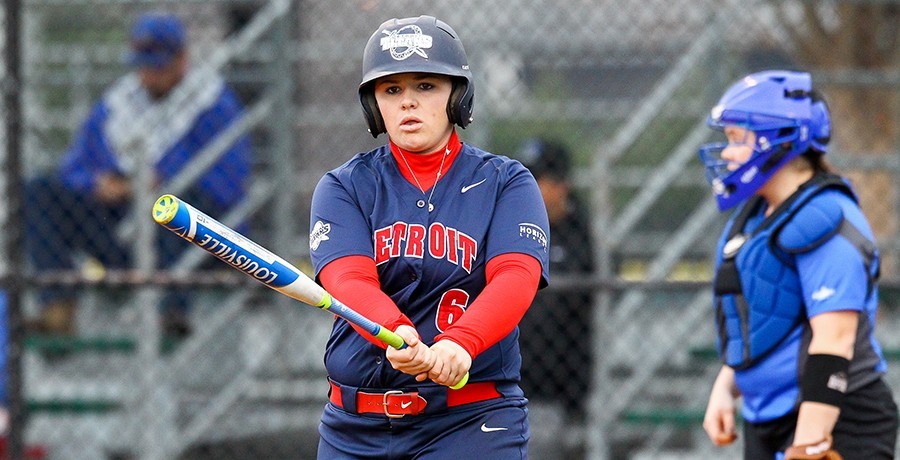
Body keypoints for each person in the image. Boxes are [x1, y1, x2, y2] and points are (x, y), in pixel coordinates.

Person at [308, 15, 549, 459]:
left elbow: (517, 276)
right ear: (373, 105)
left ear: (458, 96)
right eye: (392, 90)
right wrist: (395, 333)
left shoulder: (506, 182)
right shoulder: (344, 186)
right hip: (354, 427)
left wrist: (462, 342)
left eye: (426, 86)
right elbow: (349, 280)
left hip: (470, 421)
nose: (407, 103)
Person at [698, 70, 898, 460]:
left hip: (837, 418)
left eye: (737, 139)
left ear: (779, 139)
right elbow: (767, 318)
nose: (725, 152)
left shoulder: (825, 216)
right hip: (767, 417)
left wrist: (811, 441)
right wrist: (727, 385)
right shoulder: (757, 214)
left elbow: (833, 339)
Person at [24, 12, 252, 337]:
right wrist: (98, 184)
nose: (149, 74)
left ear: (182, 59)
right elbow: (73, 168)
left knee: (176, 203)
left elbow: (230, 183)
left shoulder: (212, 103)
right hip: (124, 233)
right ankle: (58, 307)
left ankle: (170, 312)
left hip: (190, 248)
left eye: (158, 65)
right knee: (39, 191)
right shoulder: (119, 103)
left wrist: (162, 180)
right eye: (143, 64)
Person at [516, 138, 595, 423]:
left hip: (560, 391)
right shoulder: (513, 225)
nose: (527, 186)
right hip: (510, 382)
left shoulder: (581, 234)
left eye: (538, 178)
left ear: (562, 185)